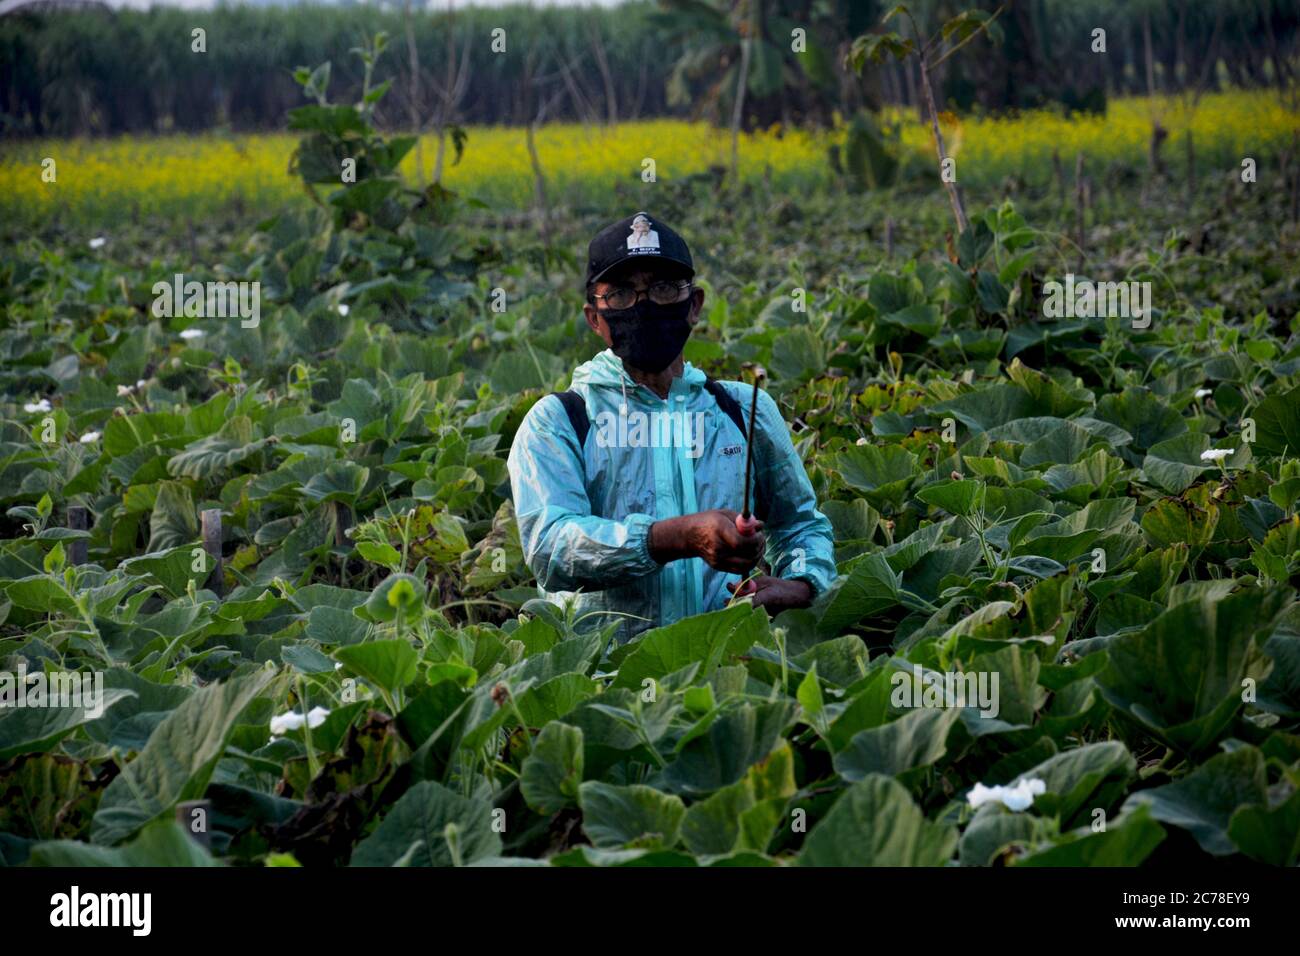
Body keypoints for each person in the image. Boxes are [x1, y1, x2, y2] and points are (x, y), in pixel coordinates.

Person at [507, 211, 836, 644]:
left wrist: (801, 583)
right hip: (603, 678)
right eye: (622, 294)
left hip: (731, 662)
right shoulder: (559, 421)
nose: (644, 306)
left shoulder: (741, 408)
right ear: (594, 318)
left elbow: (799, 524)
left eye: (663, 289)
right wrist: (673, 537)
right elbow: (551, 548)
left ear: (693, 305)